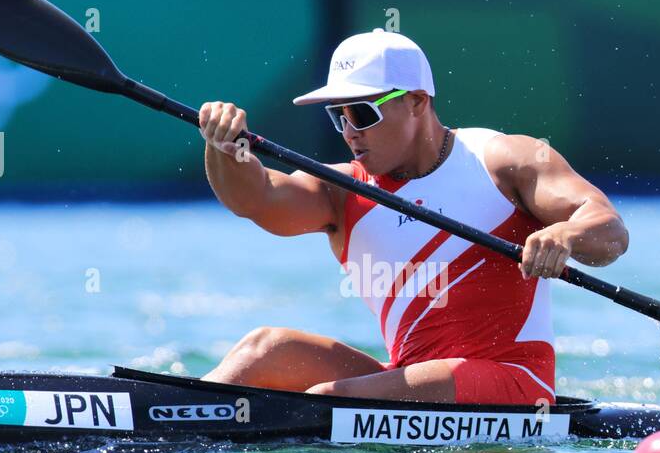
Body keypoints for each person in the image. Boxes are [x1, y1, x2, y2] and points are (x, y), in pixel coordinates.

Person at [199, 29, 627, 405]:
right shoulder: (342, 191)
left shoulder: (502, 161)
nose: (350, 131)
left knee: (330, 401)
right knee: (266, 349)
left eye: (362, 112)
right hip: (411, 379)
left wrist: (566, 236)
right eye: (338, 116)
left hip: (514, 382)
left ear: (417, 101)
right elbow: (258, 198)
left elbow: (608, 228)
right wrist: (225, 149)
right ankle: (177, 414)